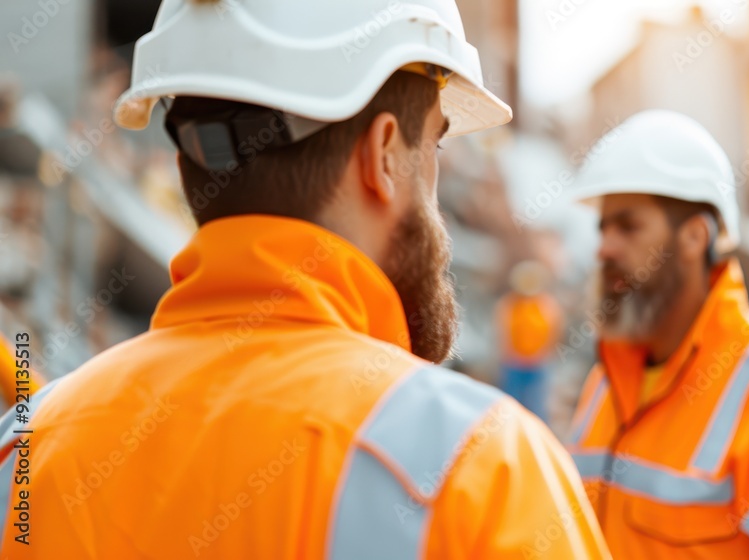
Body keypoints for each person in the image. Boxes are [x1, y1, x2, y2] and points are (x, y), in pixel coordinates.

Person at [0, 1, 610, 558]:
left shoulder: (25, 452)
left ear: (188, 161)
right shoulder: (479, 469)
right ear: (386, 155)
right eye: (436, 148)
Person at [565, 110, 749, 558]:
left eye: (628, 226)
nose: (604, 247)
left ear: (695, 236)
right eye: (602, 228)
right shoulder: (605, 381)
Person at [496, 260, 564, 421]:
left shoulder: (547, 305)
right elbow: (503, 333)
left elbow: (555, 332)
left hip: (537, 364)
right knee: (510, 404)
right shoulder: (510, 304)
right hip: (514, 363)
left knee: (537, 406)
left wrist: (546, 355)